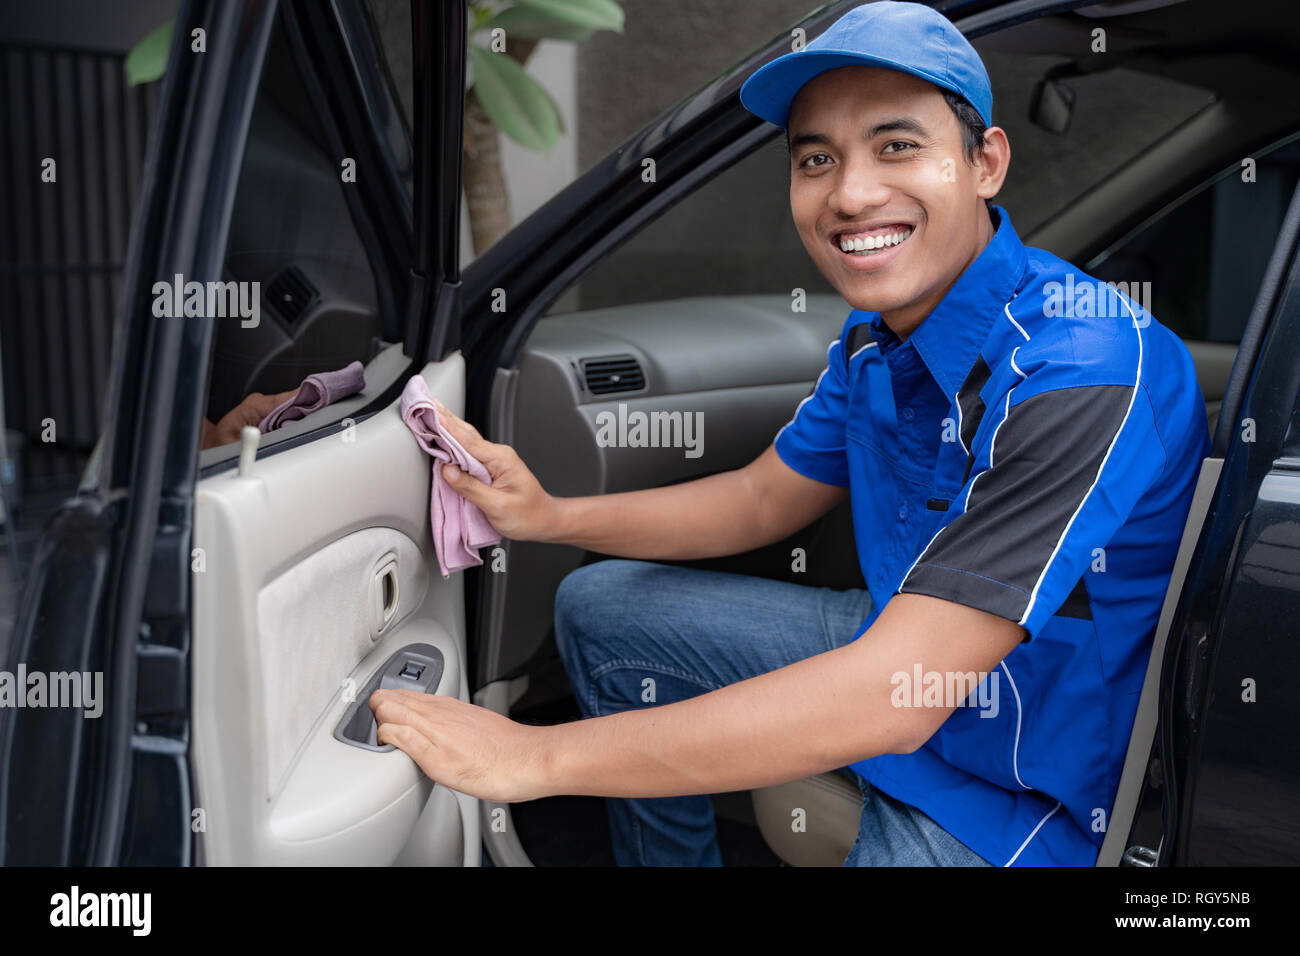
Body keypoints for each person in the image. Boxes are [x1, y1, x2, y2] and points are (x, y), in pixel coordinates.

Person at [367, 1, 1210, 866]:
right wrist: (547, 515)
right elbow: (761, 496)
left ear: (984, 162)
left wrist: (532, 758)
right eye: (818, 159)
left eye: (897, 146)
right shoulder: (874, 344)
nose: (850, 193)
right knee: (601, 607)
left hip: (1027, 775)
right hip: (895, 654)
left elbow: (895, 696)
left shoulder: (1084, 363)